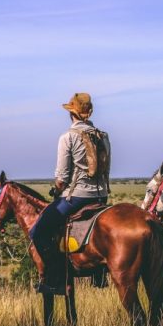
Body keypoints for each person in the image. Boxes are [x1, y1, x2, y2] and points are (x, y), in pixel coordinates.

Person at [28, 93, 110, 293]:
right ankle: (99, 272)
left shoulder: (68, 137)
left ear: (71, 113)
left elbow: (62, 177)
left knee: (37, 231)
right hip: (101, 196)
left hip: (77, 197)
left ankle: (55, 277)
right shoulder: (103, 136)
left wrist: (55, 190)